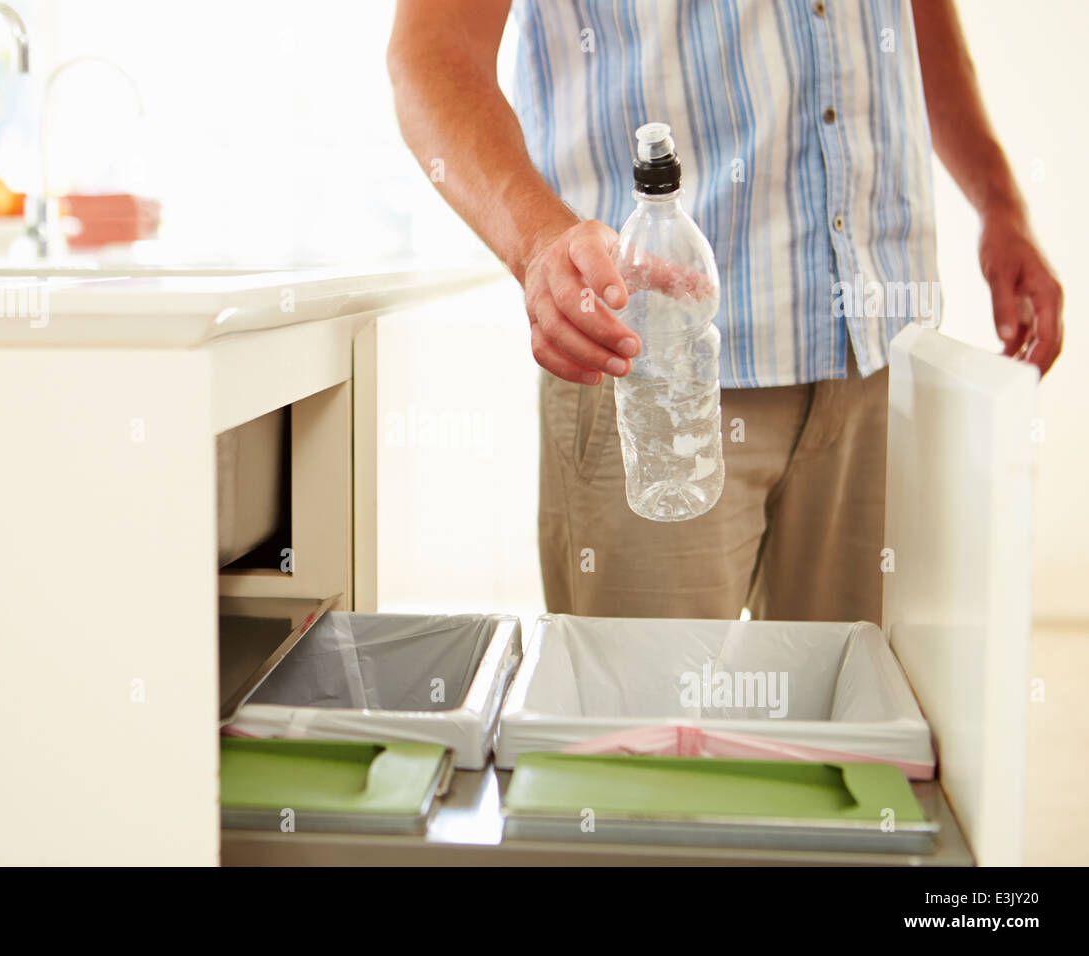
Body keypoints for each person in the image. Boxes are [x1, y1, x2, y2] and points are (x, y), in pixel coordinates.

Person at [387, 0, 1062, 624]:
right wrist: (537, 243)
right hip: (651, 381)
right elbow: (434, 50)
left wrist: (999, 203)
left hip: (882, 356)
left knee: (863, 733)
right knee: (648, 740)